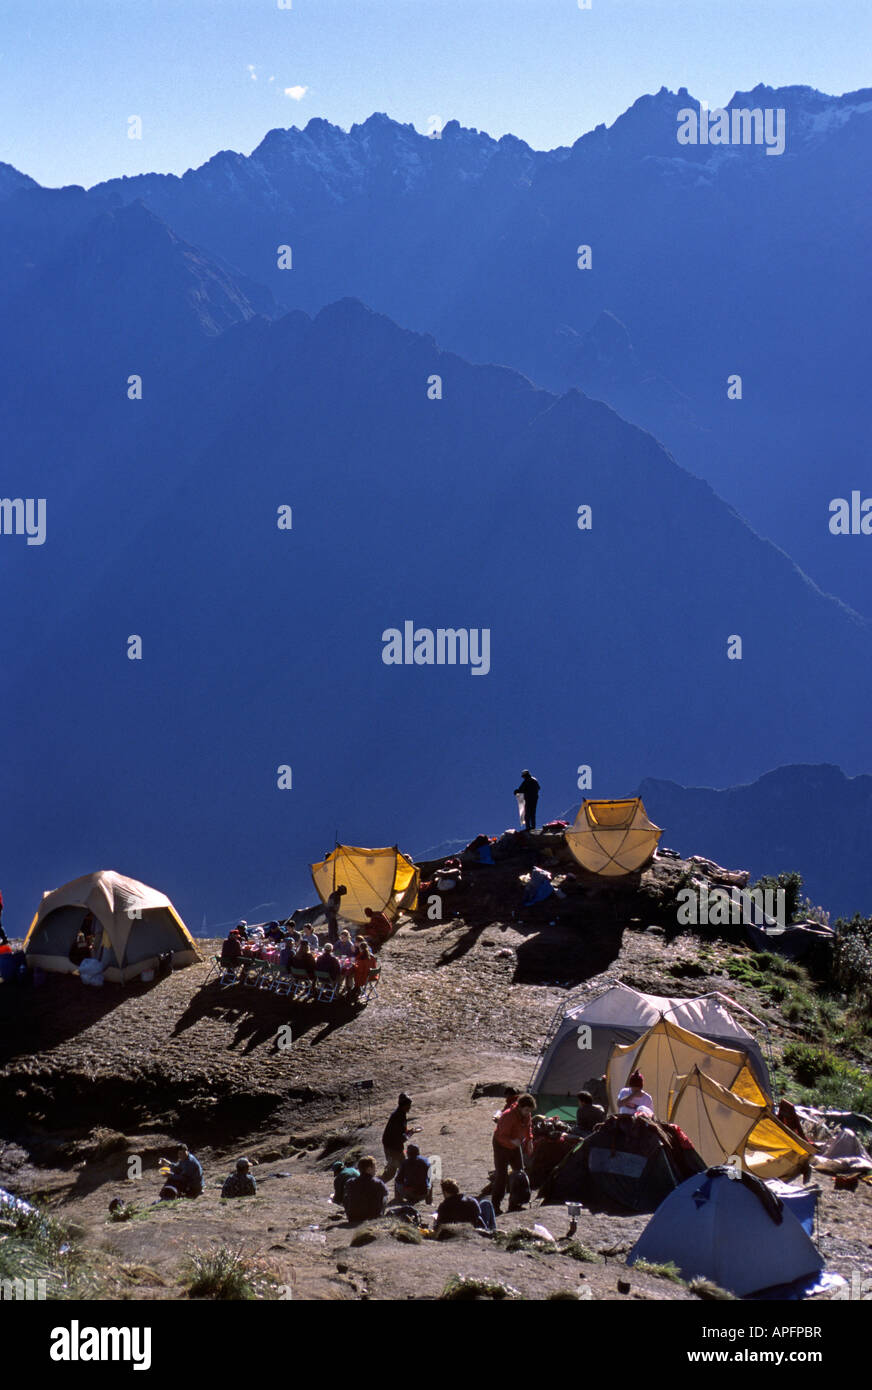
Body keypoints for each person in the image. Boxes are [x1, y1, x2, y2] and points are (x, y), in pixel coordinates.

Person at [491, 1093, 535, 1215]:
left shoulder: (527, 1115)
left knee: (519, 1173)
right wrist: (511, 1141)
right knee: (501, 1176)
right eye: (526, 1110)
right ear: (520, 1107)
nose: (528, 1113)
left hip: (516, 1145)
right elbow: (500, 1136)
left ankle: (515, 1203)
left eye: (530, 1111)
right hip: (501, 1146)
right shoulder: (508, 1116)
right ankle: (495, 1205)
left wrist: (530, 1140)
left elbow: (528, 1127)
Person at [381, 1093, 418, 1180]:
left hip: (394, 1145)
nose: (410, 1107)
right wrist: (410, 1133)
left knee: (400, 1168)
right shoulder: (398, 1117)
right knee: (393, 1172)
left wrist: (409, 1131)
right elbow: (399, 1137)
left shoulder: (401, 1113)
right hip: (392, 1146)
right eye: (409, 1105)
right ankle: (376, 1186)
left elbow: (401, 1131)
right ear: (404, 1105)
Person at [343, 1156, 389, 1222]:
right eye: (374, 1167)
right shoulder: (377, 1183)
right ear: (369, 1169)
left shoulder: (350, 1182)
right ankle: (380, 1216)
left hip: (353, 1217)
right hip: (372, 1217)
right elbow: (386, 1194)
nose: (376, 1170)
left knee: (346, 1196)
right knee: (385, 1197)